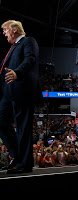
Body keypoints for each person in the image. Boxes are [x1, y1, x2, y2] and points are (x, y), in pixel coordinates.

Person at [0, 20, 41, 173]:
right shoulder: (13, 47)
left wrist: (18, 72)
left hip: (22, 91)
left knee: (23, 127)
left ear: (15, 29)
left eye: (5, 29)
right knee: (1, 121)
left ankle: (24, 164)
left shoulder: (28, 41)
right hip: (7, 92)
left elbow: (31, 59)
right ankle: (17, 155)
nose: (4, 33)